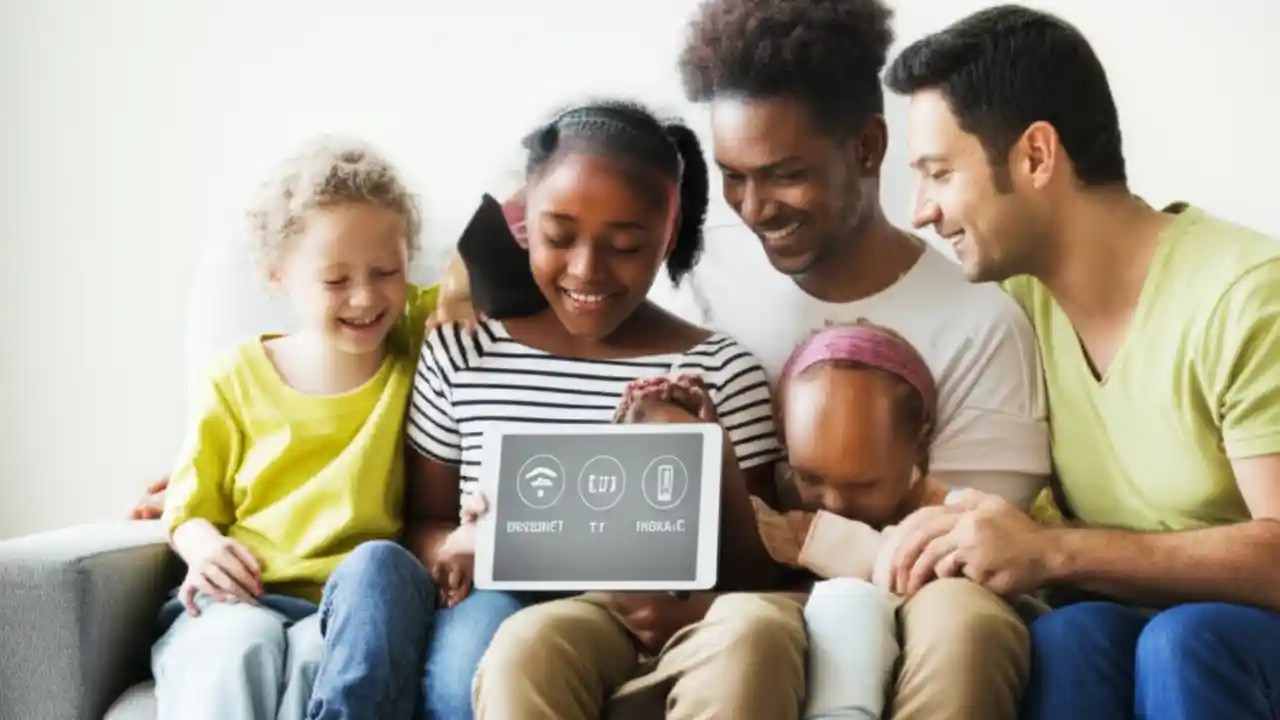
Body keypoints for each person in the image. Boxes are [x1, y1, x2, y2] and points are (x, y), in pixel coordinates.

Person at [883, 6, 1280, 719]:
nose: (921, 211)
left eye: (939, 174)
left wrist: (1057, 552)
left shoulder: (1247, 298)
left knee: (1188, 641)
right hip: (1151, 626)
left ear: (1036, 155)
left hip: (1227, 641)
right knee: (1072, 633)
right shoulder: (1017, 309)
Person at [675, 1, 1042, 717]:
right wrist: (480, 260)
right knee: (745, 633)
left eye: (784, 174)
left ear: (868, 148)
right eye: (732, 176)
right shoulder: (699, 277)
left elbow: (955, 557)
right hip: (740, 606)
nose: (753, 208)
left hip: (912, 608)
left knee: (964, 621)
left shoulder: (976, 322)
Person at [408, 100, 805, 720]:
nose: (587, 271)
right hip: (539, 629)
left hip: (687, 626)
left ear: (667, 236)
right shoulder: (466, 349)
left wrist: (716, 456)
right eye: (558, 237)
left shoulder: (724, 369)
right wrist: (469, 541)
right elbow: (420, 522)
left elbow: (764, 567)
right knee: (518, 648)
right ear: (525, 226)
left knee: (752, 634)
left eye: (625, 244)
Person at [152, 138, 442, 719]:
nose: (364, 297)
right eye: (336, 281)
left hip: (354, 609)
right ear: (277, 276)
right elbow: (187, 508)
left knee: (318, 659)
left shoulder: (416, 346)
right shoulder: (236, 376)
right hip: (242, 595)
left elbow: (508, 252)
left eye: (387, 271)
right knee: (238, 650)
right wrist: (203, 546)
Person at [749, 321, 1023, 720]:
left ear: (919, 443)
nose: (835, 504)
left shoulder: (950, 515)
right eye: (809, 478)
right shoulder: (783, 515)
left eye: (864, 485)